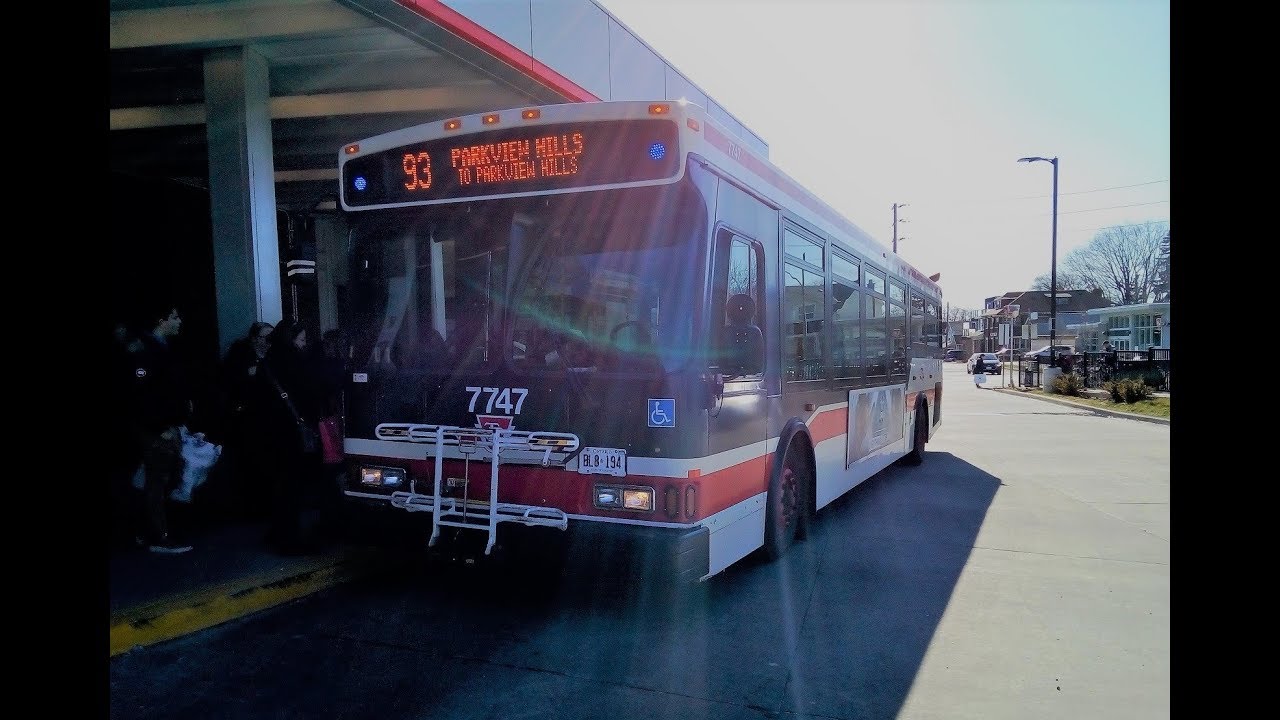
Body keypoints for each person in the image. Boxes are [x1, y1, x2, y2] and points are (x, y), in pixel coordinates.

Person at [129, 301, 194, 553]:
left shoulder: (157, 349)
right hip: (157, 429)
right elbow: (143, 395)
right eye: (174, 317)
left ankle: (149, 532)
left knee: (154, 480)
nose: (179, 322)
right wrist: (160, 426)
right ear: (161, 320)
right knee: (157, 481)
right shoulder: (147, 351)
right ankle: (158, 536)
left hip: (163, 426)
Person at [258, 320, 325, 554]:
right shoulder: (296, 362)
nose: (304, 344)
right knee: (292, 484)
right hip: (293, 431)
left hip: (272, 431)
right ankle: (289, 537)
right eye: (302, 340)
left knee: (280, 483)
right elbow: (310, 394)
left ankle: (279, 531)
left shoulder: (267, 362)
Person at [218, 321, 274, 520]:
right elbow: (235, 385)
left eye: (272, 337)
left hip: (264, 417)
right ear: (254, 338)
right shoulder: (241, 357)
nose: (269, 341)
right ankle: (250, 507)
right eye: (265, 337)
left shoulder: (270, 357)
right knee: (249, 462)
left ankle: (262, 506)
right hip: (247, 418)